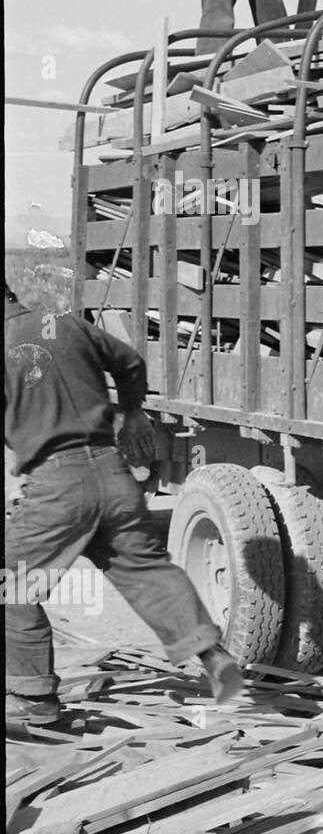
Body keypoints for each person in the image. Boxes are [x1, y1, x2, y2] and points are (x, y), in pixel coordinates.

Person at [4, 283, 243, 735]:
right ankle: (215, 657)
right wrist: (132, 414)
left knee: (12, 584)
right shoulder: (69, 325)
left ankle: (32, 698)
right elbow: (131, 362)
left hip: (56, 484)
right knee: (147, 570)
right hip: (113, 475)